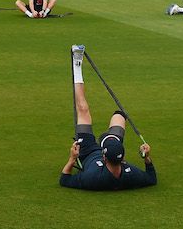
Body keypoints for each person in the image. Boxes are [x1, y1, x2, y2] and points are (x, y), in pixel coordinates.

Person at [59, 45, 155, 190]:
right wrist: (147, 158)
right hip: (110, 148)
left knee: (83, 109)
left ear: (104, 158)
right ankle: (111, 135)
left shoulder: (93, 178)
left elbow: (64, 180)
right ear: (123, 159)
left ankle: (77, 64)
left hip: (88, 152)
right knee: (120, 115)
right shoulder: (130, 174)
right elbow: (151, 179)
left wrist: (72, 159)